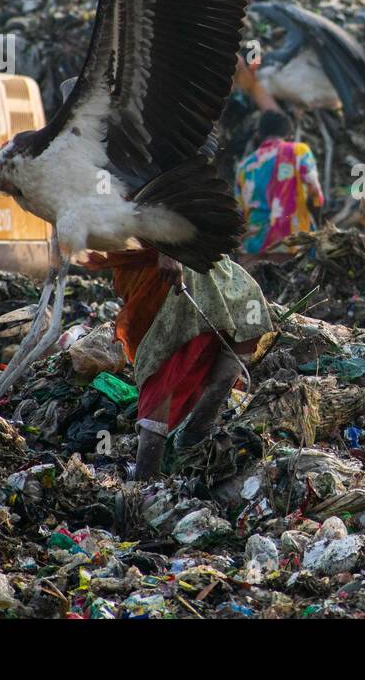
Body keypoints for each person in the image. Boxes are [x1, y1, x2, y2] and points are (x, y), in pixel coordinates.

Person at [79, 248, 274, 480]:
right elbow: (157, 215)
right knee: (166, 368)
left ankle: (194, 433)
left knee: (247, 306)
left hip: (197, 264)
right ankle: (146, 483)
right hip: (173, 270)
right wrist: (169, 253)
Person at [235, 109, 325, 254]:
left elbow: (239, 212)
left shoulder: (244, 167)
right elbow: (315, 193)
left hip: (254, 247)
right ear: (289, 134)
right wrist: (317, 226)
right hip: (293, 244)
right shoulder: (298, 151)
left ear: (259, 135)